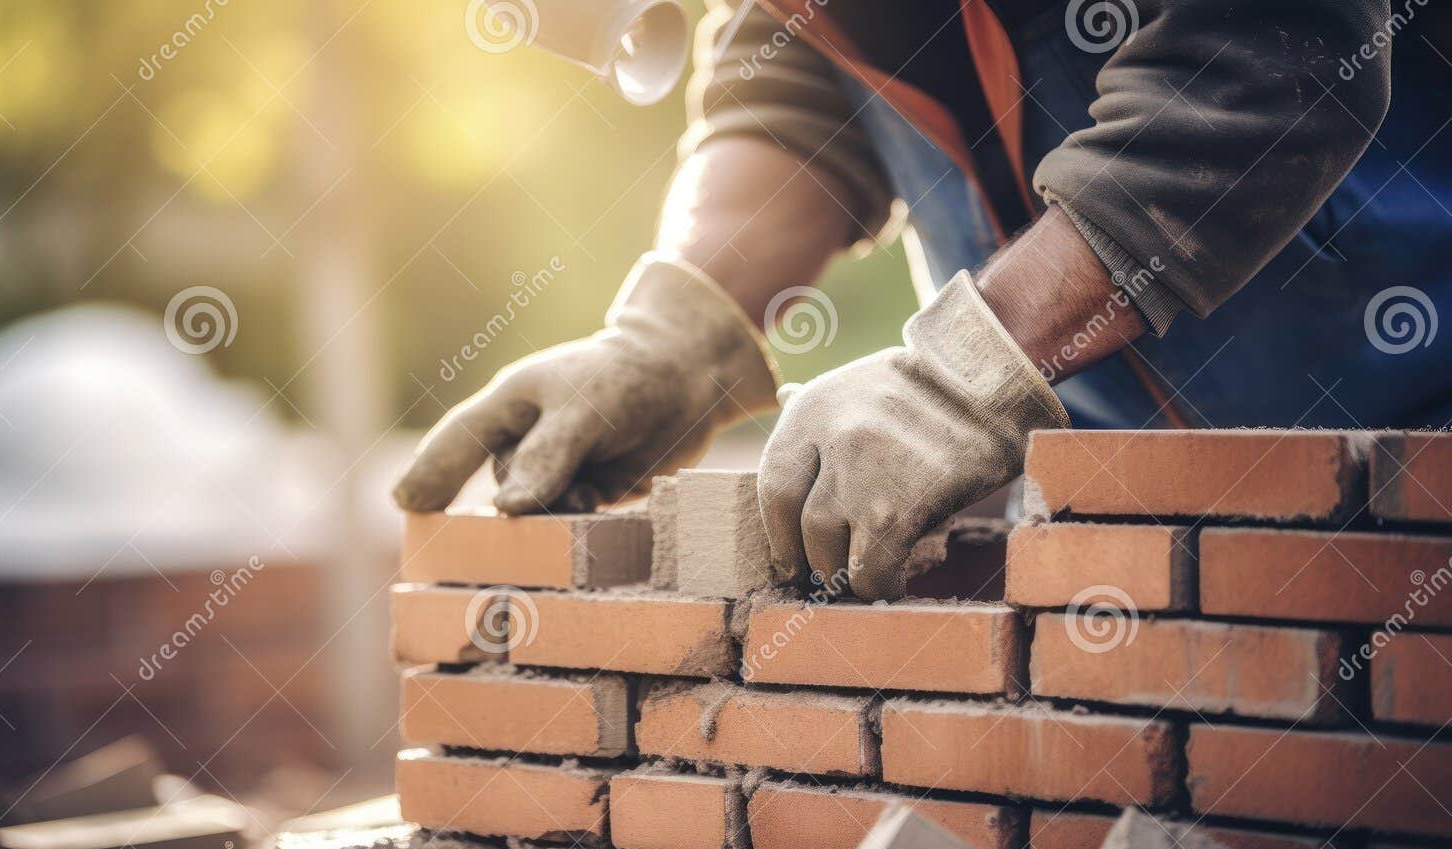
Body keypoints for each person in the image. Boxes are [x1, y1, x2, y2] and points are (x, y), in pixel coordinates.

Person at [396, 0, 1452, 601]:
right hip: (1151, 529)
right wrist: (673, 327)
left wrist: (968, 369)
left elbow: (1268, 56)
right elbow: (792, 76)